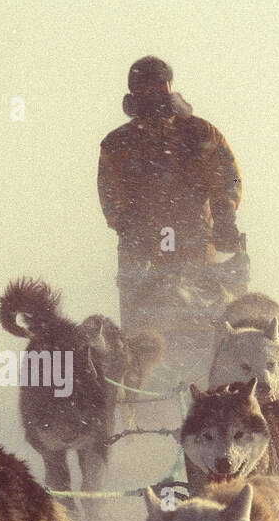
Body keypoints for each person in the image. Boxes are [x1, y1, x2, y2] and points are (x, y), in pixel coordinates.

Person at [98, 56, 247, 385]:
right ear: (133, 94)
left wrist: (224, 216)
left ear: (169, 87)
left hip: (195, 243)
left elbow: (226, 177)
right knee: (141, 327)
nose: (152, 95)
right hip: (142, 251)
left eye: (158, 87)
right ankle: (138, 386)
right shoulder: (116, 145)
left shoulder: (200, 133)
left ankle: (213, 382)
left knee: (204, 316)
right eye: (144, 89)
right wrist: (128, 224)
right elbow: (111, 195)